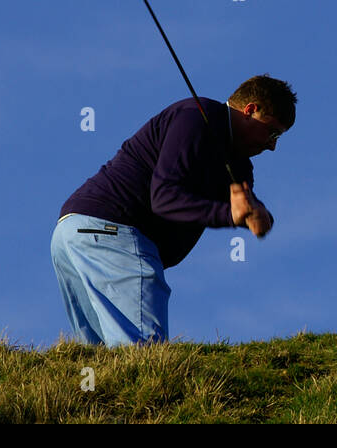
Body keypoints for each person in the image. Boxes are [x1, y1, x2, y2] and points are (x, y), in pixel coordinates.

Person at [51, 74, 296, 346]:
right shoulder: (197, 117)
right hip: (112, 231)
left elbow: (246, 204)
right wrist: (230, 216)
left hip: (74, 232)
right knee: (142, 359)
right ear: (250, 110)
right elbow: (165, 197)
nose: (273, 145)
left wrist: (258, 215)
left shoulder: (237, 162)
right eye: (272, 132)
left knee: (101, 361)